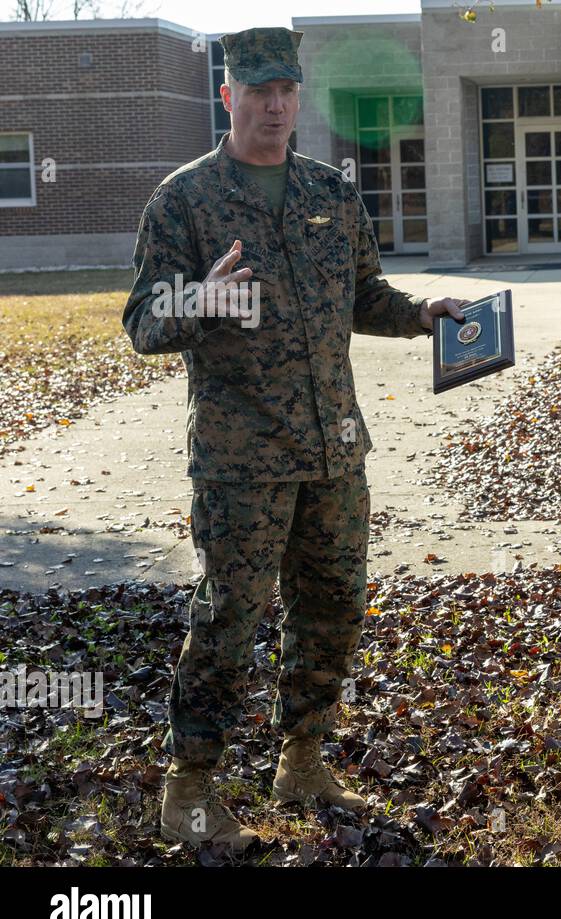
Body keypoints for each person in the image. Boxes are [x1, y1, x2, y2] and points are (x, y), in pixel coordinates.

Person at [122, 26, 472, 850]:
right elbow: (141, 322)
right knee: (232, 617)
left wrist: (421, 316)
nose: (275, 105)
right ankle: (191, 785)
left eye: (287, 90)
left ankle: (303, 756)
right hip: (242, 460)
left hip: (334, 449)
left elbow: (364, 294)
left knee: (333, 608)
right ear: (228, 96)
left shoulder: (329, 191)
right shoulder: (184, 200)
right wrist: (194, 302)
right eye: (258, 90)